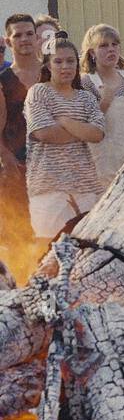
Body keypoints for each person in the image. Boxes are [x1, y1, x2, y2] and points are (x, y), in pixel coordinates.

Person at [22, 38, 106, 239]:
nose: (65, 66)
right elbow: (45, 133)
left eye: (70, 61)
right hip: (49, 189)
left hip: (86, 188)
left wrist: (65, 121)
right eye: (58, 61)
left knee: (85, 251)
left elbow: (98, 134)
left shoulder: (86, 98)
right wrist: (81, 130)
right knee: (48, 251)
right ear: (48, 65)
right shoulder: (38, 93)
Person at [80, 24, 124, 187]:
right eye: (104, 46)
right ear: (92, 53)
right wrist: (104, 102)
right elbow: (85, 127)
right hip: (103, 165)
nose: (111, 50)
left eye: (115, 44)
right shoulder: (86, 83)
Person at [0, 14, 42, 253]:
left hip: (53, 167)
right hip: (16, 168)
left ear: (37, 38)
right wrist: (6, 157)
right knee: (19, 237)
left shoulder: (53, 73)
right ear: (8, 41)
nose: (24, 39)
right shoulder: (3, 81)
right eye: (18, 35)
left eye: (29, 34)